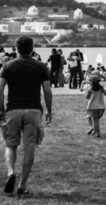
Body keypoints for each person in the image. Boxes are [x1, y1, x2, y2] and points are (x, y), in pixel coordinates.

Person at [0, 36, 53, 198]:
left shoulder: (7, 66)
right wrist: (49, 110)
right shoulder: (41, 67)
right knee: (29, 146)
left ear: (16, 48)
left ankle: (11, 173)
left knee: (11, 145)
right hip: (33, 110)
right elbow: (47, 91)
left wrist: (1, 110)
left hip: (13, 110)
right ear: (32, 49)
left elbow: (0, 90)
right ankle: (22, 185)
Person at [85, 74, 106, 138]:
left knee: (94, 120)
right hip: (101, 106)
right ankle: (95, 130)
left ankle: (98, 132)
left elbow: (87, 97)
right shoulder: (101, 88)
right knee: (97, 119)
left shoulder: (90, 90)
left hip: (92, 106)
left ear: (92, 82)